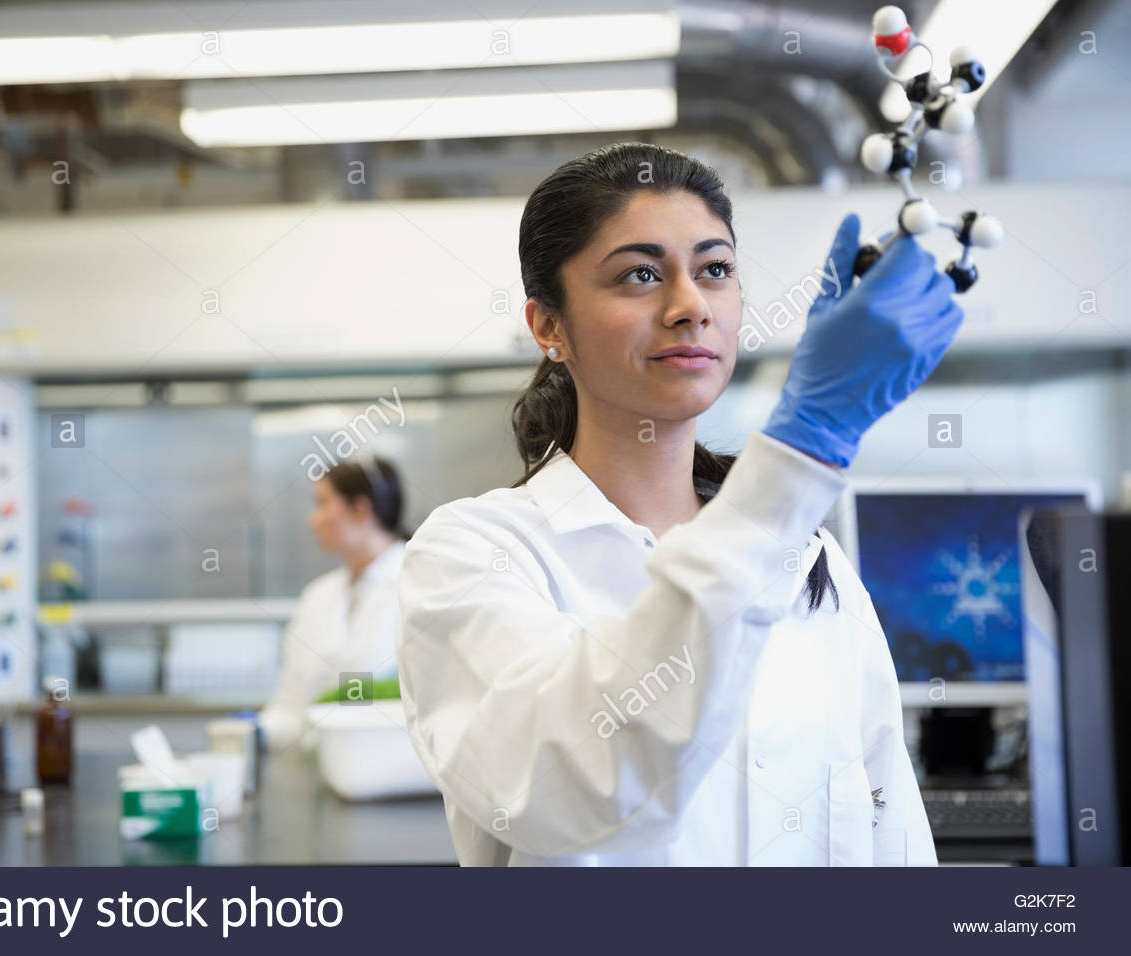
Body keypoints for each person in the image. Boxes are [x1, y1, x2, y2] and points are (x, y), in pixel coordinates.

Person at [396, 142, 960, 866]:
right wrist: (799, 453)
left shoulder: (811, 561)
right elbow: (572, 787)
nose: (690, 306)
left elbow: (894, 832)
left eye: (715, 270)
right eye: (640, 274)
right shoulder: (474, 555)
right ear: (549, 326)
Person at [259, 456, 409, 752]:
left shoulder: (418, 584)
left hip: (392, 768)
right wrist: (254, 732)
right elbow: (290, 706)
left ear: (361, 510)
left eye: (323, 503)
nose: (313, 520)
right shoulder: (318, 596)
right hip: (321, 770)